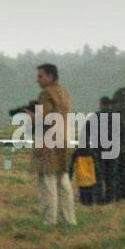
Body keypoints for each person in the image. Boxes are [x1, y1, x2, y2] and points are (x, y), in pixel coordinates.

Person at [30, 63, 76, 226]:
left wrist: (29, 114)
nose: (38, 80)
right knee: (63, 181)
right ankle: (69, 219)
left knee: (47, 182)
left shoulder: (46, 93)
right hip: (64, 139)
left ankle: (49, 221)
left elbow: (44, 119)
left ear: (50, 76)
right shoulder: (64, 92)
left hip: (48, 141)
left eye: (41, 76)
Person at [70, 99, 106, 206]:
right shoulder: (115, 117)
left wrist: (69, 175)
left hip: (82, 176)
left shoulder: (76, 152)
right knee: (98, 179)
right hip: (109, 149)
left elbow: (71, 165)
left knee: (85, 186)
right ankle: (99, 198)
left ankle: (86, 201)